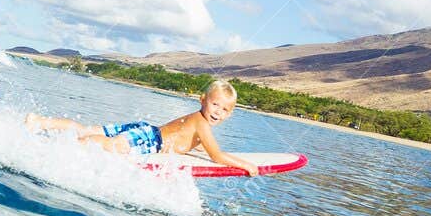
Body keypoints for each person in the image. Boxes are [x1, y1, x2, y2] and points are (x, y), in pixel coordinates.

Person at [26, 80, 260, 176]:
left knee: (89, 129)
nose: (218, 111)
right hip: (150, 138)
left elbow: (189, 142)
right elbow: (216, 156)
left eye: (224, 109)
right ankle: (68, 147)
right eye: (215, 104)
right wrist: (246, 165)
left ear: (230, 114)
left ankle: (40, 122)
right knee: (109, 145)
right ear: (202, 100)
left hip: (146, 131)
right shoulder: (201, 122)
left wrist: (193, 149)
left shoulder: (200, 123)